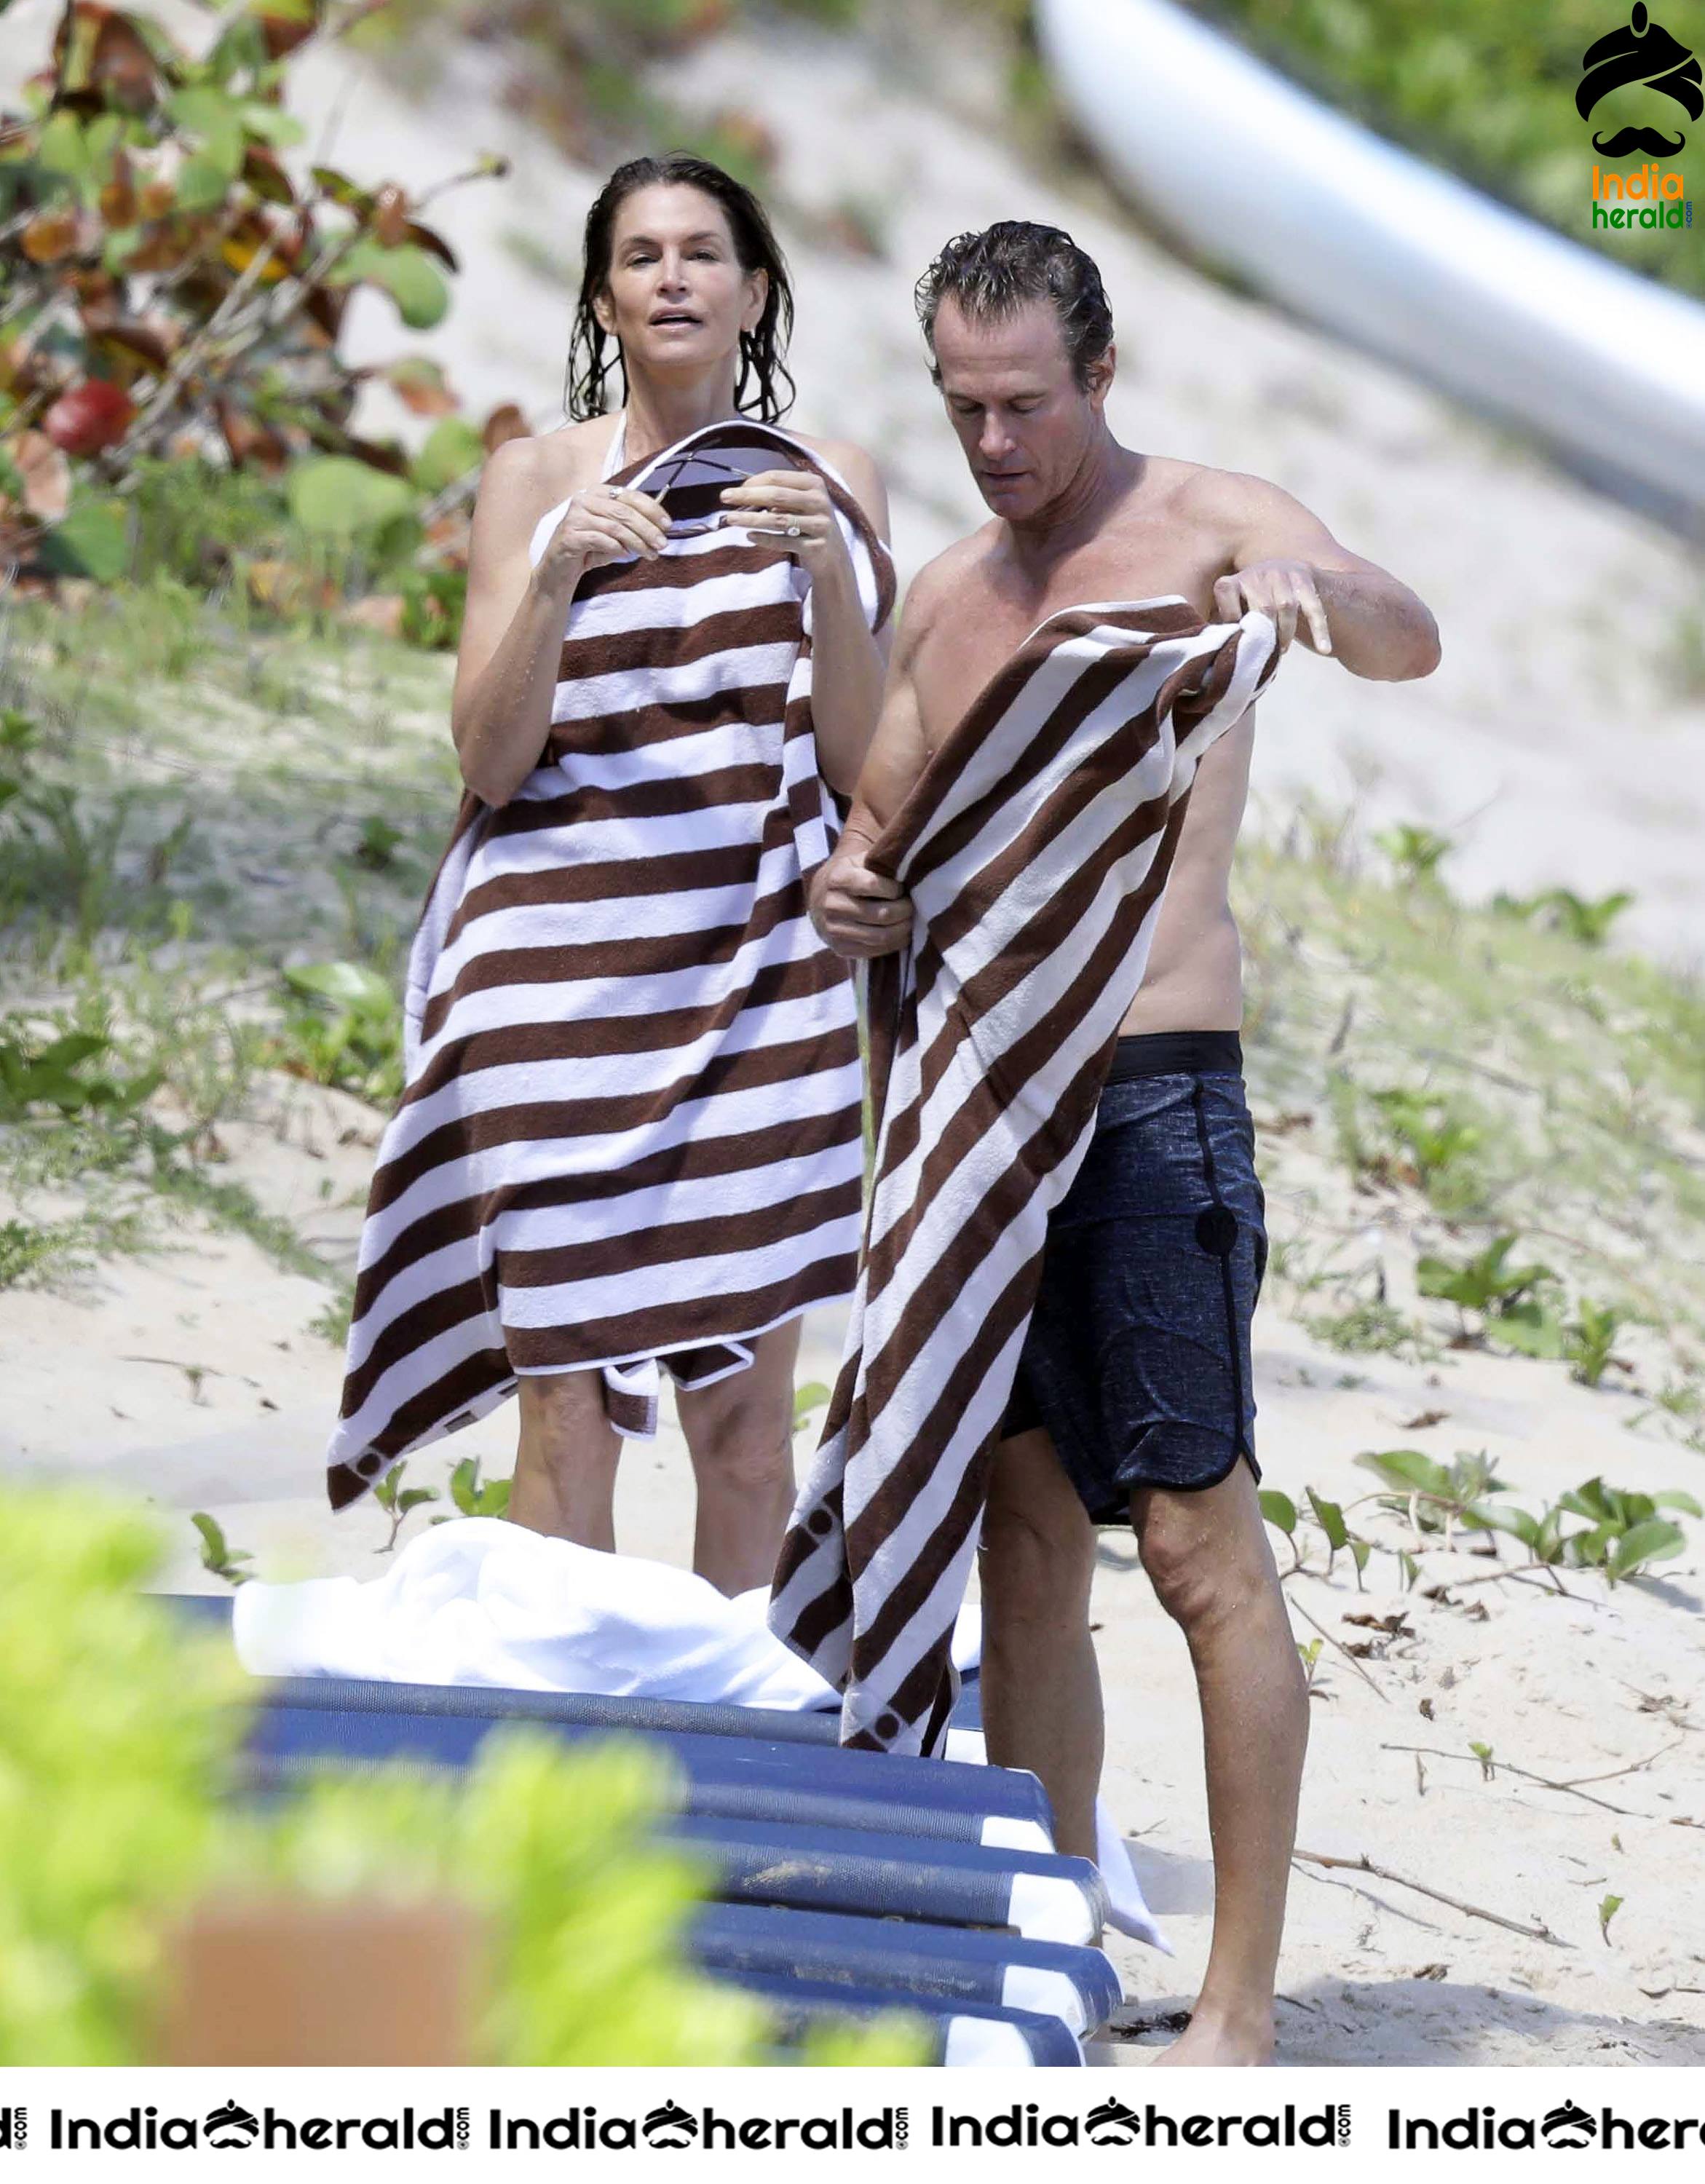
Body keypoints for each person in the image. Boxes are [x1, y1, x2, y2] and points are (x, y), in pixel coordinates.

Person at [804, 221, 1439, 2063]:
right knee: (1016, 1543)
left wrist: (1320, 599)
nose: (995, 442)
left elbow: (1399, 628)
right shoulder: (944, 598)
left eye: (1023, 404)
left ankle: (1235, 2012)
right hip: (980, 1103)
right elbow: (878, 841)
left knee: (1191, 1546)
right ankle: (1052, 1948)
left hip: (1153, 1091)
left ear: (1098, 374)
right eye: (963, 407)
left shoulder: (1207, 528)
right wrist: (857, 902)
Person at [325, 154, 893, 1594]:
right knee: (566, 1402)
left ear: (754, 289)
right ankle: (558, 1740)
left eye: (703, 253)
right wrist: (558, 575)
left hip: (757, 968)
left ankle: (722, 1763)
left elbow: (856, 756)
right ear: (603, 296)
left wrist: (829, 573)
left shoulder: (836, 480)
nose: (674, 279)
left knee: (747, 1425)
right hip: (552, 974)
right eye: (641, 257)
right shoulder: (533, 477)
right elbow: (490, 755)